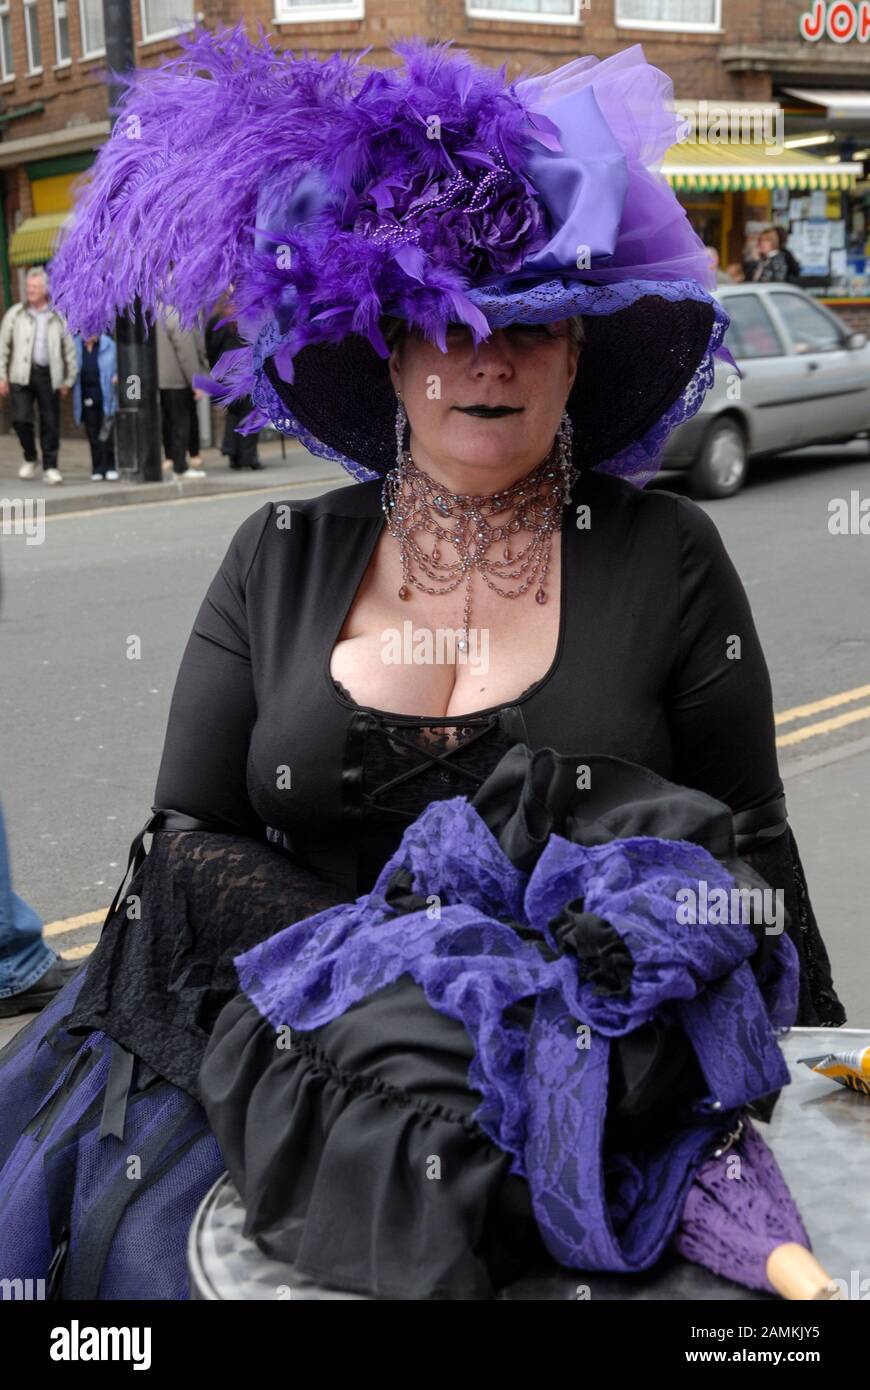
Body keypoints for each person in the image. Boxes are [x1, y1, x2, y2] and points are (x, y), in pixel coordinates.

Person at [3, 28, 845, 1301]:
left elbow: (752, 848)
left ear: (581, 353)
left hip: (581, 1097)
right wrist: (400, 967)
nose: (488, 358)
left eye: (535, 326)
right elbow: (185, 838)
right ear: (391, 352)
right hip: (277, 1061)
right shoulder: (278, 552)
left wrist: (811, 1057)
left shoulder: (670, 557)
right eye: (446, 322)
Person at [0, 267, 77, 485]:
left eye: (34, 287)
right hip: (20, 374)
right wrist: (2, 376)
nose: (30, 291)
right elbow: (3, 346)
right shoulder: (15, 314)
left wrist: (68, 379)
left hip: (48, 375)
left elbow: (69, 349)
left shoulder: (57, 316)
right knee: (20, 419)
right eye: (28, 287)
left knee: (50, 422)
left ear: (45, 290)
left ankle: (51, 466)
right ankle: (30, 457)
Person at [204, 303, 262, 470]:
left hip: (225, 373)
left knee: (234, 413)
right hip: (245, 371)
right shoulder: (248, 318)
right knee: (249, 412)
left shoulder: (216, 322)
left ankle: (233, 454)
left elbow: (210, 349)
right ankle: (248, 458)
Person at [156, 307, 208, 477]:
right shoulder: (177, 314)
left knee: (169, 422)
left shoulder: (157, 312)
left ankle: (172, 459)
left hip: (162, 380)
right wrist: (196, 382)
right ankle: (181, 467)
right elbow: (186, 352)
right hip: (178, 379)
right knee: (181, 423)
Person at [73, 333, 119, 481]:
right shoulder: (76, 346)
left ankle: (110, 466)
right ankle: (97, 467)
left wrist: (118, 376)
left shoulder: (109, 345)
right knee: (92, 432)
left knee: (107, 431)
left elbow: (120, 366)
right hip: (86, 395)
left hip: (105, 394)